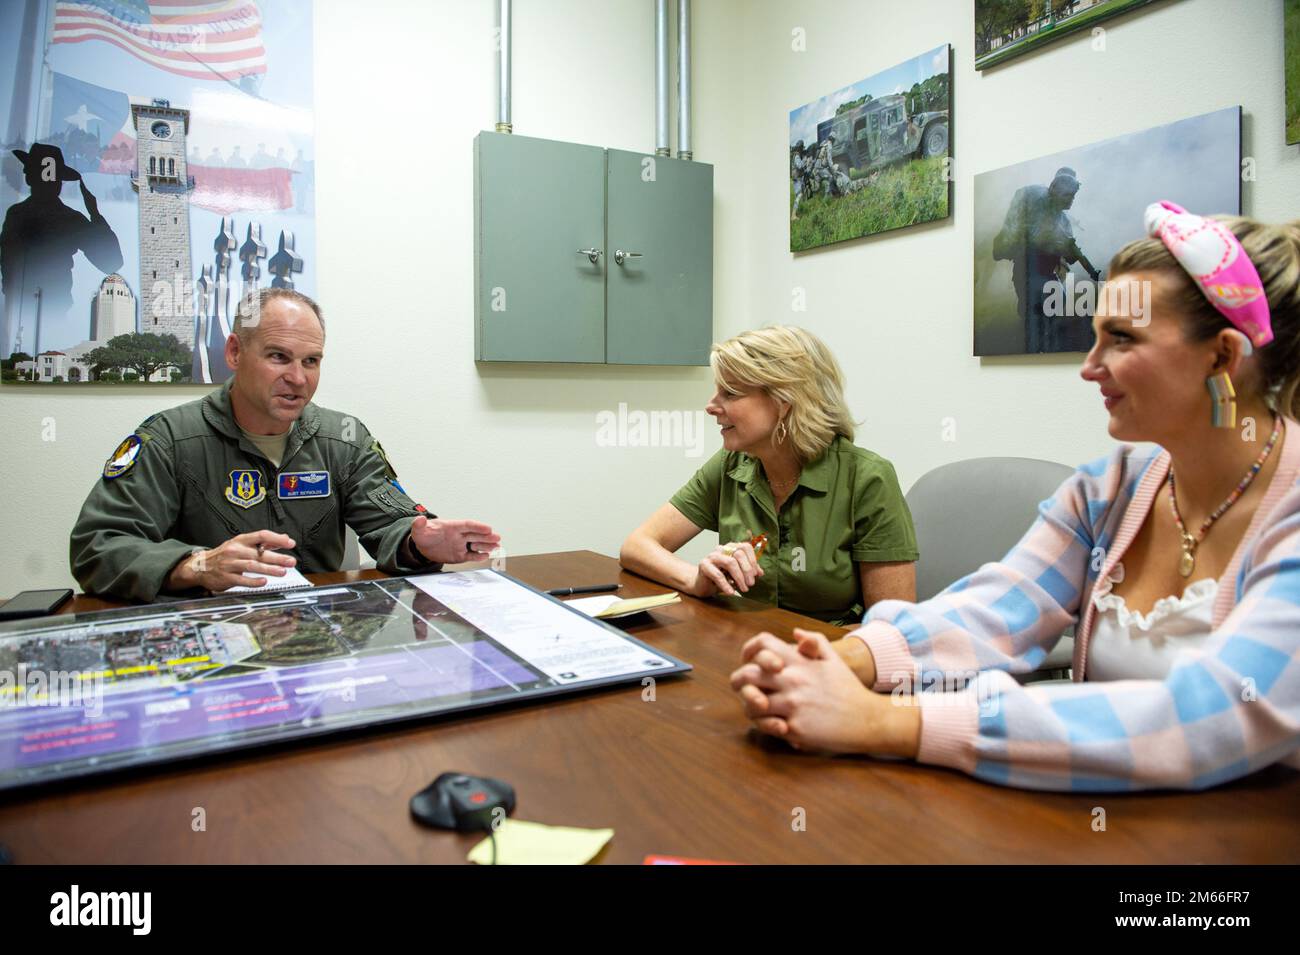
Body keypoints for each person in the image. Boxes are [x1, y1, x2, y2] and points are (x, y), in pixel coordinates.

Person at [731, 204, 1300, 791]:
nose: (1089, 367)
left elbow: (1212, 716)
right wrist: (844, 660)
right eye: (1094, 338)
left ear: (1224, 358)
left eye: (1121, 340)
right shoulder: (1109, 490)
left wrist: (886, 721)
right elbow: (999, 608)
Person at [70, 288, 500, 601]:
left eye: (311, 361)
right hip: (211, 640)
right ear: (235, 353)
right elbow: (99, 545)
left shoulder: (344, 439)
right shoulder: (170, 439)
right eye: (279, 357)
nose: (298, 378)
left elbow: (389, 522)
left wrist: (418, 541)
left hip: (318, 640)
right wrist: (198, 565)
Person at [620, 325, 917, 626]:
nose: (711, 407)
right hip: (745, 646)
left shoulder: (867, 478)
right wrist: (695, 579)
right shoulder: (732, 464)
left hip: (829, 660)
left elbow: (892, 631)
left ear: (784, 401)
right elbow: (637, 546)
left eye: (731, 393)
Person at [993, 166, 1101, 353]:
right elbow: (1016, 226)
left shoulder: (1064, 222)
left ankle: (1047, 347)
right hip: (1026, 270)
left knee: (1058, 313)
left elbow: (1072, 253)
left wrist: (1088, 268)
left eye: (1073, 195)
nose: (1072, 200)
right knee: (1031, 318)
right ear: (1056, 191)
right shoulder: (1031, 197)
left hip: (1048, 275)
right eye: (1069, 195)